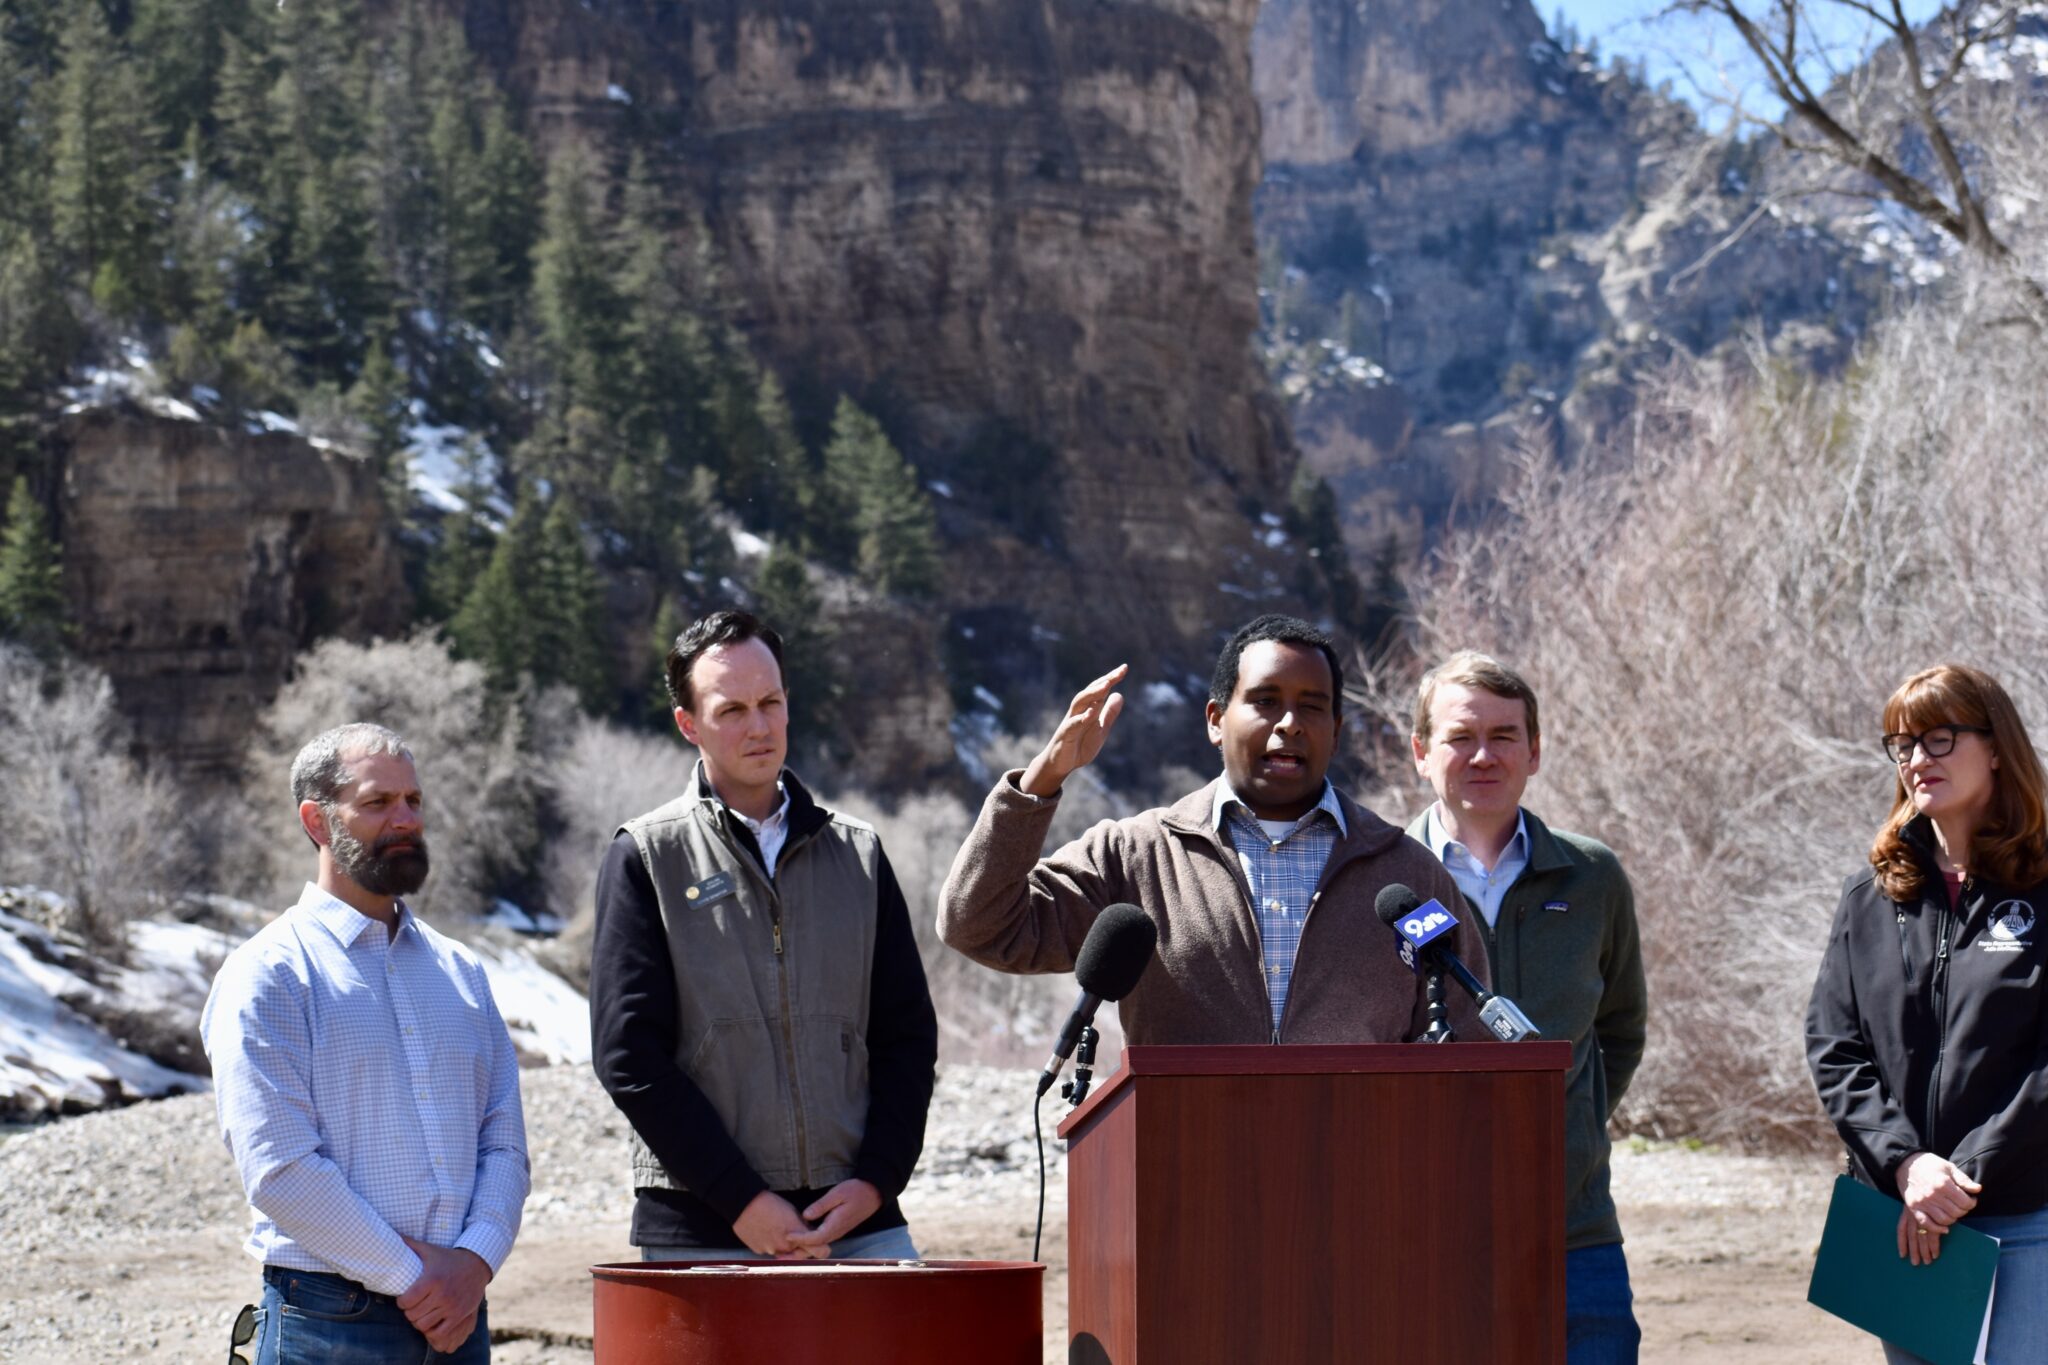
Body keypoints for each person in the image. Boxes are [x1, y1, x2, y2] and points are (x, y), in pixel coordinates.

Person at [939, 613, 1487, 1044]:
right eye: (1265, 702)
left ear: (1336, 732)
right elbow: (980, 925)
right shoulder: (1137, 856)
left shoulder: (1407, 876)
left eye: (1312, 707)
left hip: (1357, 1176)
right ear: (1215, 721)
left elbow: (1470, 1042)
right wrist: (1041, 781)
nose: (1290, 723)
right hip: (1183, 1168)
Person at [591, 610, 938, 1261]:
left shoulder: (858, 853)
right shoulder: (646, 855)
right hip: (702, 1226)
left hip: (857, 1222)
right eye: (732, 710)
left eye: (771, 702)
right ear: (688, 724)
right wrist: (740, 1198)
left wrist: (876, 1178)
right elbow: (628, 1055)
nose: (759, 725)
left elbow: (907, 1036)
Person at [202, 723, 529, 1364]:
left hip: (461, 1317)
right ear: (317, 821)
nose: (404, 819)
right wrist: (422, 1282)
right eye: (377, 803)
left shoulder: (461, 972)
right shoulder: (267, 974)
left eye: (413, 801)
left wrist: (474, 1263)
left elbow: (506, 1144)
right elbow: (279, 1170)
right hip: (329, 1324)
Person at [1405, 651, 1647, 1363]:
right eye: (1460, 736)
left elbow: (1620, 1029)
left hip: (1572, 1231)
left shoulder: (1592, 874)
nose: (1484, 754)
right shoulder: (1377, 880)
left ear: (1534, 751)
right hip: (1419, 1235)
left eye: (1505, 735)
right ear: (1421, 752)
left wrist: (1563, 1124)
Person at [1808, 664, 2048, 1363]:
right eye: (1903, 744)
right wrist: (1909, 1165)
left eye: (1939, 738)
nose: (1917, 759)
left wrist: (1958, 1175)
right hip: (1903, 1215)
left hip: (2029, 1214)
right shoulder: (1872, 895)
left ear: (1998, 745)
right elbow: (1834, 1045)